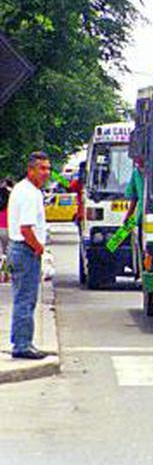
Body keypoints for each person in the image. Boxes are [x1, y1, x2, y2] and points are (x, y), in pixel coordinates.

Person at [7, 152, 52, 360]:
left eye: (48, 168)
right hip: (26, 250)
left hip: (19, 249)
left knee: (23, 298)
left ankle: (22, 340)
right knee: (25, 299)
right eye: (41, 168)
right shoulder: (29, 194)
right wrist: (39, 247)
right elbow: (26, 228)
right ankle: (22, 345)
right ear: (30, 170)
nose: (46, 173)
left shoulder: (24, 189)